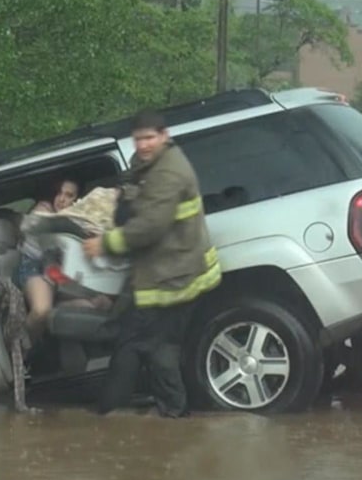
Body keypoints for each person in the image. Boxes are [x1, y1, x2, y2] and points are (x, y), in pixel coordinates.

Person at [82, 109, 222, 418]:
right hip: (165, 273)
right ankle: (150, 416)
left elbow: (149, 227)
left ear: (164, 136)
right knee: (145, 344)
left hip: (174, 279)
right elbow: (139, 200)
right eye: (138, 139)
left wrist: (104, 243)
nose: (143, 145)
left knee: (153, 349)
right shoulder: (150, 164)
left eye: (149, 138)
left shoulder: (169, 173)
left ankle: (162, 416)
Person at [15, 177, 80, 337]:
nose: (62, 199)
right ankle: (19, 345)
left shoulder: (76, 221)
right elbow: (33, 223)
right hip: (33, 266)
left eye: (69, 195)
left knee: (97, 303)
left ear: (77, 200)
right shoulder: (44, 208)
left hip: (58, 272)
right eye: (59, 193)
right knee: (41, 310)